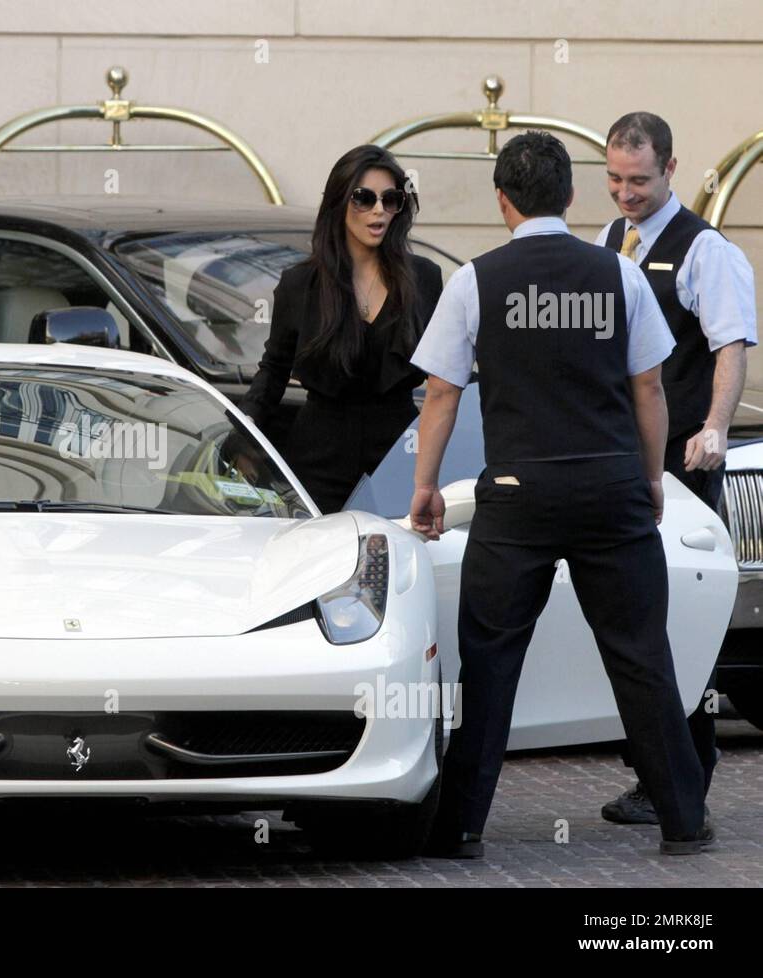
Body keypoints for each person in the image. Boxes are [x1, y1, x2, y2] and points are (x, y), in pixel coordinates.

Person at [408, 131, 713, 858]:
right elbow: (649, 387)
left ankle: (462, 826)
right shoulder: (620, 273)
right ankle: (682, 818)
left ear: (502, 201)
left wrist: (425, 488)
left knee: (489, 659)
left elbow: (442, 394)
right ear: (572, 196)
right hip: (611, 488)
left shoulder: (474, 280)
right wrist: (648, 477)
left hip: (518, 495)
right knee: (641, 656)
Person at [595, 112, 758, 826]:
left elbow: (730, 345)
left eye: (639, 180)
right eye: (614, 180)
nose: (625, 194)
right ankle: (656, 772)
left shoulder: (706, 251)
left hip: (683, 461)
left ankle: (682, 777)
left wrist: (715, 428)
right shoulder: (608, 242)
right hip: (622, 459)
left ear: (670, 169)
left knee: (674, 619)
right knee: (631, 616)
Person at [239, 145, 443, 513]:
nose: (379, 210)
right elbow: (273, 371)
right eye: (364, 198)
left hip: (399, 452)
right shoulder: (301, 284)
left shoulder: (423, 279)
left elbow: (447, 370)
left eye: (390, 199)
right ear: (339, 202)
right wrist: (242, 437)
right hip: (319, 457)